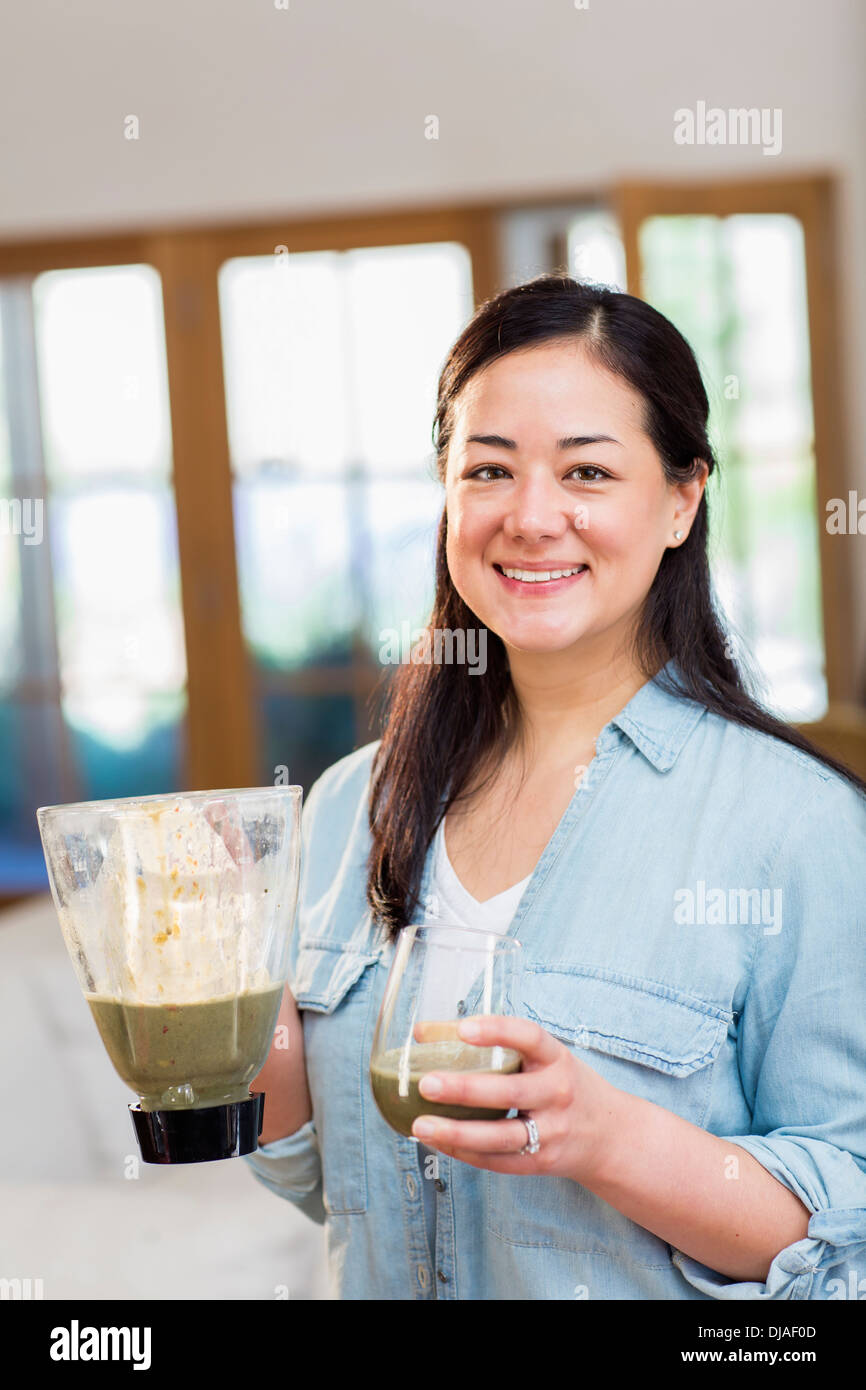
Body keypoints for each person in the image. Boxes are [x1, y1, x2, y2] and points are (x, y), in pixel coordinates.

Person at [244, 273, 866, 1300]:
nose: (531, 518)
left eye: (585, 472)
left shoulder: (798, 828)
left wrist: (606, 1135)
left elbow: (844, 1231)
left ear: (678, 500)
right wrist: (225, 990)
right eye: (487, 470)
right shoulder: (350, 804)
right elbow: (317, 1178)